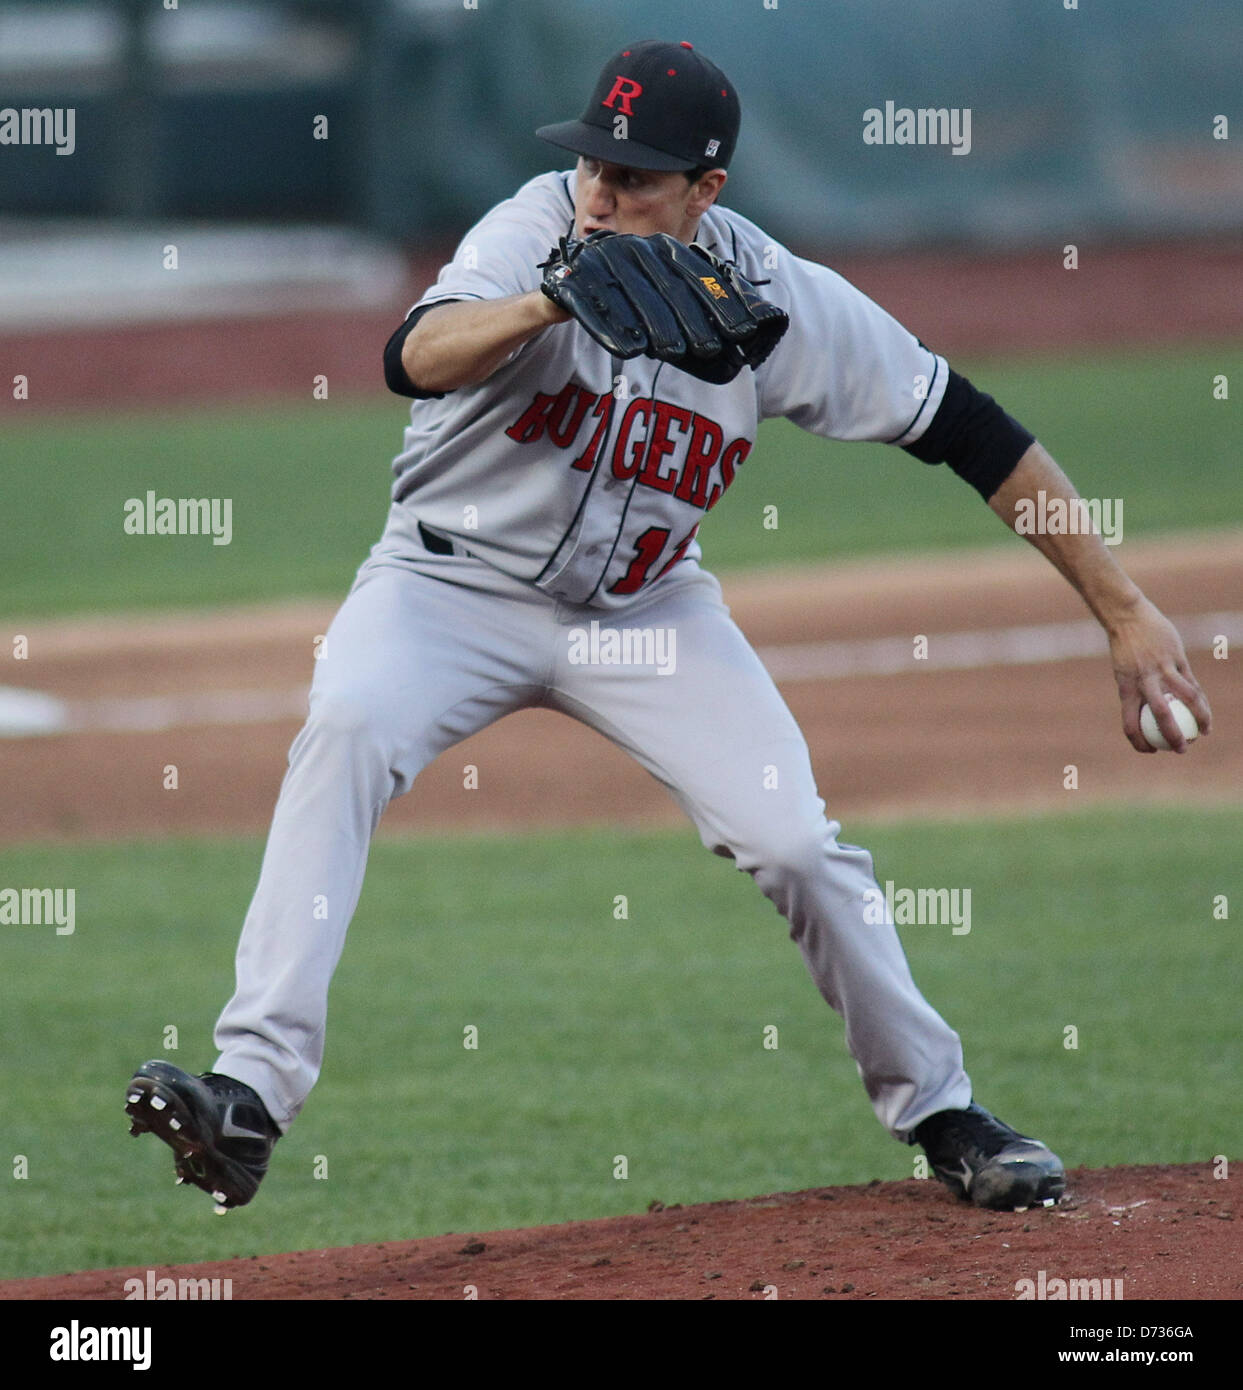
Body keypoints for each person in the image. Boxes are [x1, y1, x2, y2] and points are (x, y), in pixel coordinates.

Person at [125, 40, 1210, 1215]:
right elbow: (410, 356)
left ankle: (944, 1110)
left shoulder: (776, 299)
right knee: (341, 727)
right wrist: (546, 299)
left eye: (636, 178)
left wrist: (1124, 607)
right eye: (594, 161)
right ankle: (250, 1094)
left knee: (796, 841)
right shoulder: (531, 232)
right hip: (446, 590)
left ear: (707, 194)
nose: (601, 191)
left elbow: (970, 429)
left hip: (647, 611)